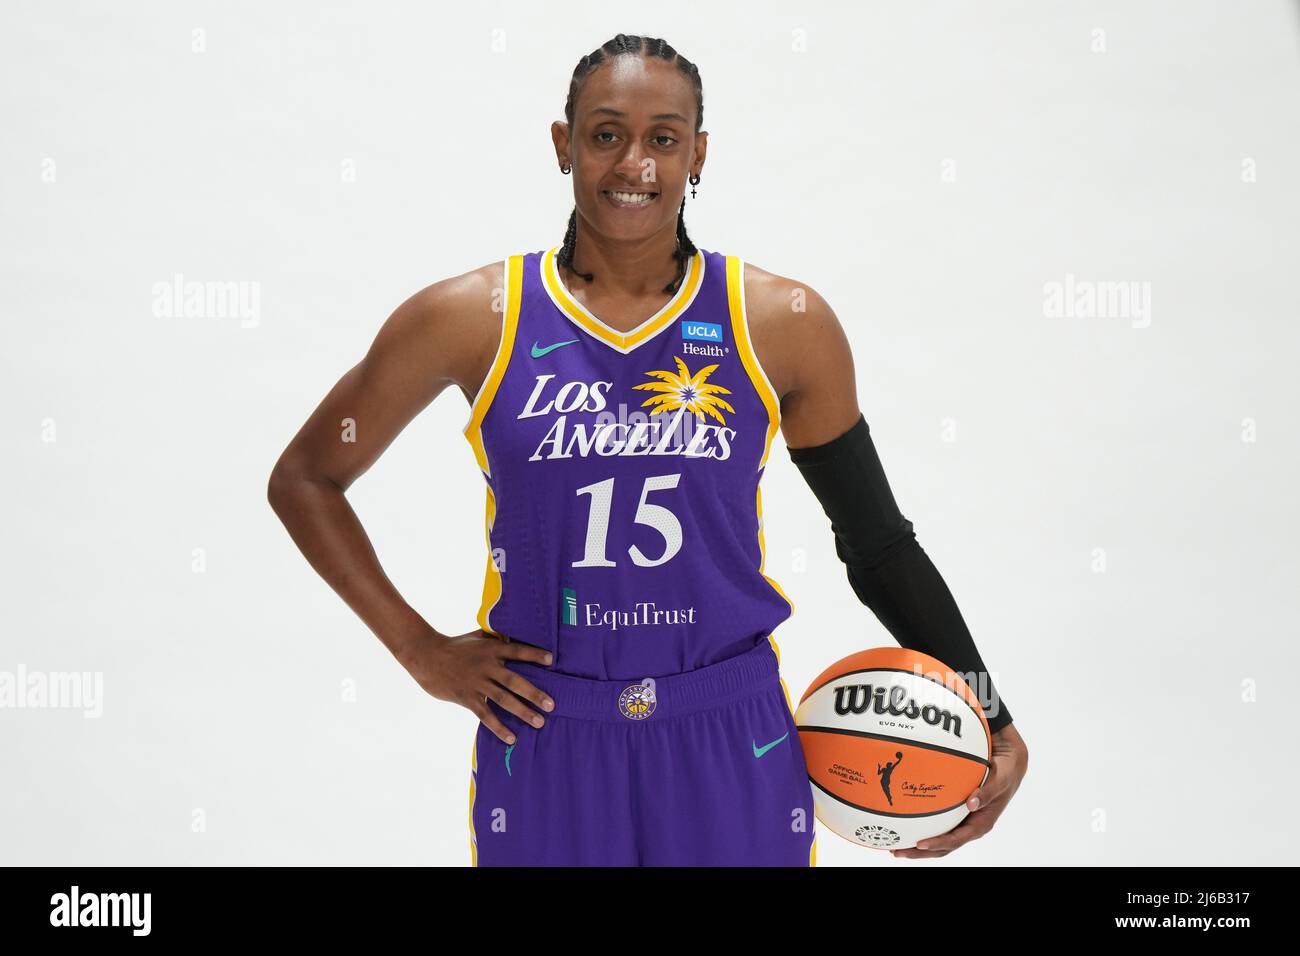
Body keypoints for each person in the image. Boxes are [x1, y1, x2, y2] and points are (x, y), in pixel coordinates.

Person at [268, 33, 1027, 866]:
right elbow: (306, 478)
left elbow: (877, 544)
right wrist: (420, 651)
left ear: (697, 153)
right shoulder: (472, 317)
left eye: (664, 138)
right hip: (544, 729)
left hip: (730, 735)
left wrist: (988, 711)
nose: (635, 163)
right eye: (605, 134)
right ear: (563, 144)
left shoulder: (780, 324)